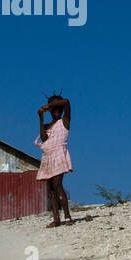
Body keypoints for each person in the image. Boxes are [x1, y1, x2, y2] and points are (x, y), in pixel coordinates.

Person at [36, 94, 74, 227]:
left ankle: (68, 217)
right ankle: (57, 219)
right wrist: (41, 118)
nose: (56, 112)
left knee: (58, 186)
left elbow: (67, 101)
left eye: (58, 109)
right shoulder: (48, 125)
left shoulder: (65, 121)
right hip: (48, 157)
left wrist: (50, 105)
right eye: (53, 110)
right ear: (50, 112)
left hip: (58, 155)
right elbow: (43, 138)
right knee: (51, 189)